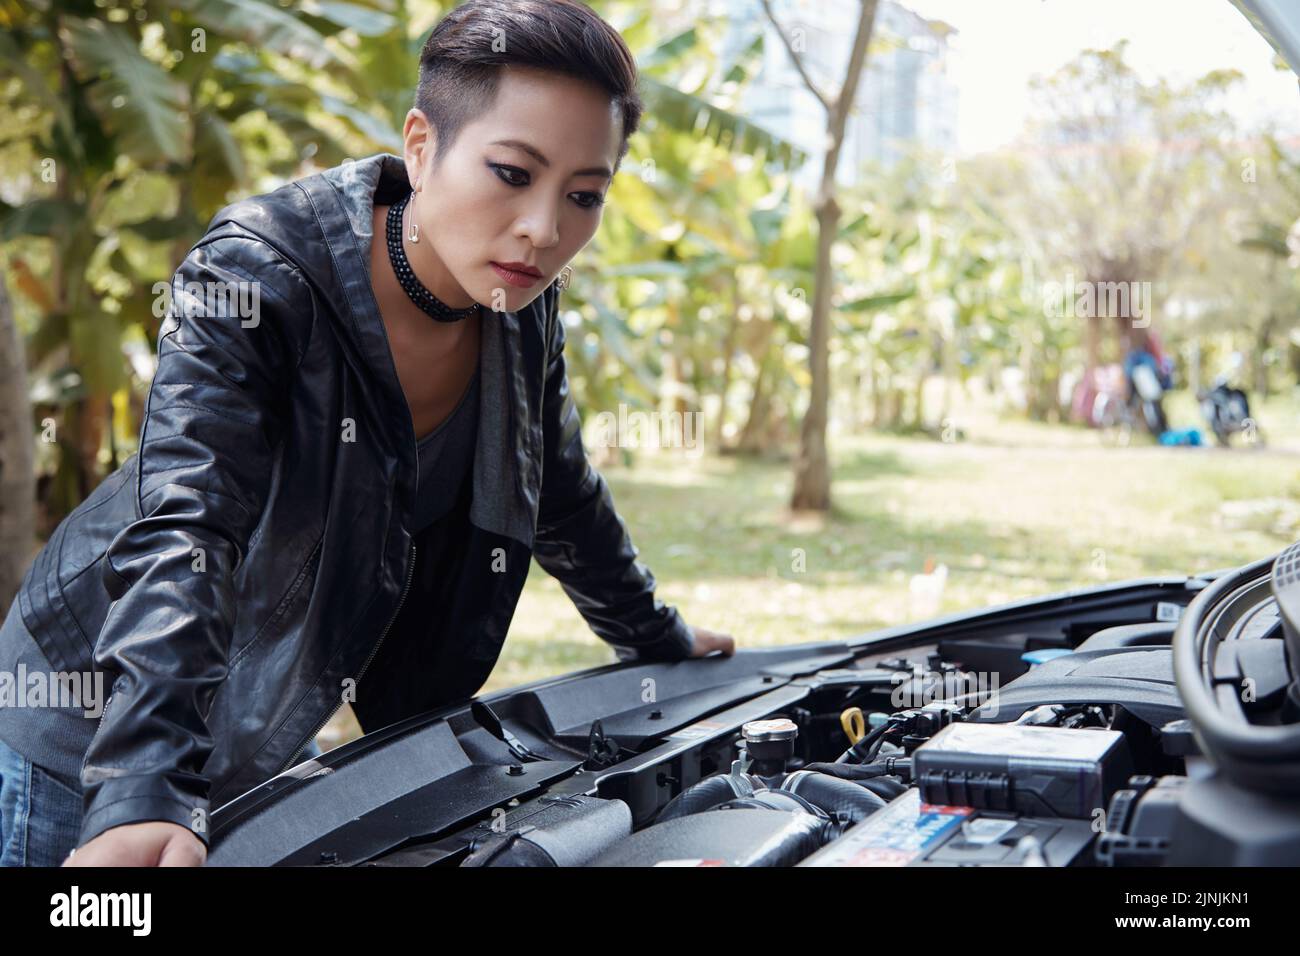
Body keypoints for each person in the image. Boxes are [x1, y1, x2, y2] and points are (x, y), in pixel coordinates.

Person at [0, 0, 734, 868]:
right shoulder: (260, 271)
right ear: (421, 147)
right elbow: (189, 521)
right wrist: (143, 781)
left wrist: (655, 636)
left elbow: (560, 490)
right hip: (90, 727)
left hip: (266, 732)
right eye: (511, 173)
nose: (545, 230)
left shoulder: (521, 309)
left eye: (583, 196)